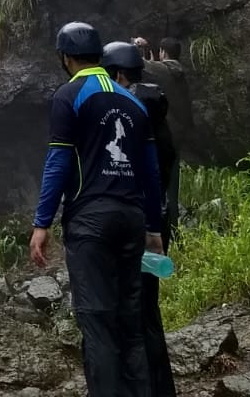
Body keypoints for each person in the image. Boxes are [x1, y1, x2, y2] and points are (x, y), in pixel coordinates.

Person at [30, 21, 162, 397]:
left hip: (91, 219)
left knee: (98, 322)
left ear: (66, 57)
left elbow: (59, 161)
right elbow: (150, 173)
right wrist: (153, 228)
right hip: (133, 218)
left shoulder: (69, 95)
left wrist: (42, 223)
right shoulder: (134, 101)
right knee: (131, 323)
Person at [104, 40, 178, 397]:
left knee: (131, 313)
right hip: (156, 223)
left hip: (139, 226)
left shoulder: (129, 116)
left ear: (117, 75)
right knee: (148, 310)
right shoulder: (155, 112)